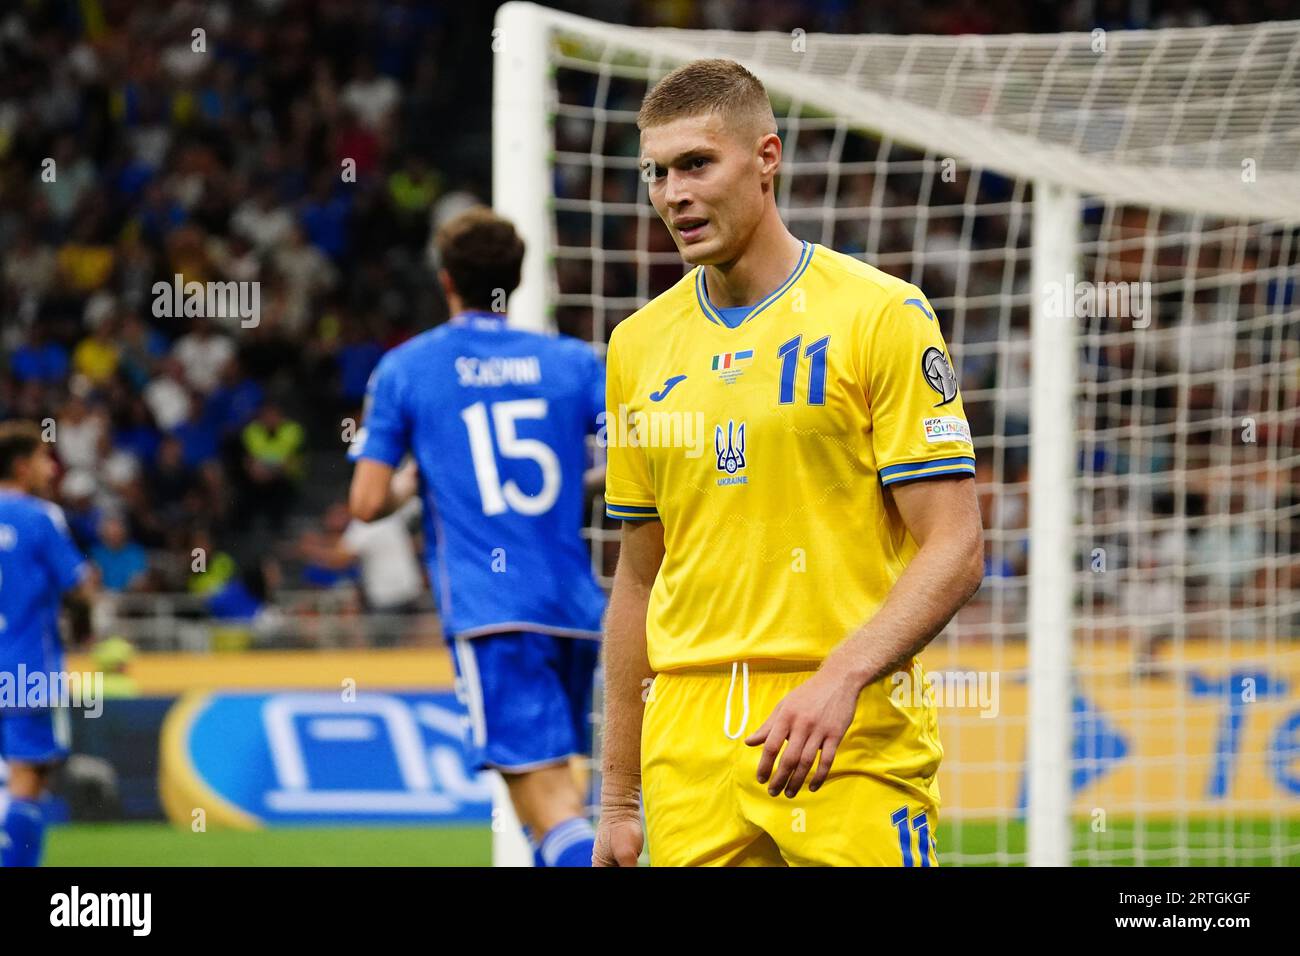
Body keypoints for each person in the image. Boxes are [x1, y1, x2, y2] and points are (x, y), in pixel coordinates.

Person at [596, 59, 985, 867]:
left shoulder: (881, 314)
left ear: (766, 157)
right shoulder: (637, 347)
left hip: (850, 726)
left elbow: (954, 546)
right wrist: (619, 796)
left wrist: (840, 678)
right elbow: (638, 578)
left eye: (696, 164)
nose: (672, 194)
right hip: (688, 737)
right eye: (656, 173)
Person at [349, 208, 605, 867]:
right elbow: (636, 465)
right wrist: (579, 480)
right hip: (576, 609)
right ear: (516, 281)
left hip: (494, 613)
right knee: (548, 807)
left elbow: (367, 500)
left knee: (550, 805)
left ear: (445, 281)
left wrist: (422, 480)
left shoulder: (408, 369)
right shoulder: (575, 363)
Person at [0, 420, 96, 866]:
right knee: (28, 775)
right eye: (42, 457)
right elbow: (79, 584)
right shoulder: (40, 516)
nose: (50, 467)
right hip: (25, 670)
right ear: (21, 466)